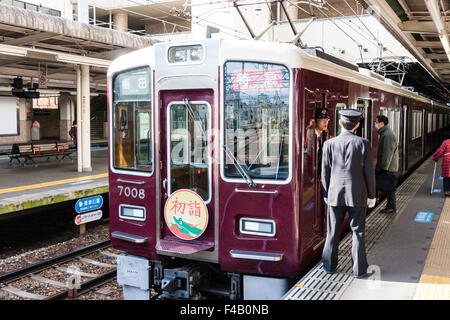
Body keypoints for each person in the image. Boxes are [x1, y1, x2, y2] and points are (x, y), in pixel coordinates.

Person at [321, 109, 376, 278]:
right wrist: (372, 195)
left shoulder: (329, 144)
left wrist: (326, 193)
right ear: (357, 125)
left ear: (340, 123)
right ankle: (359, 270)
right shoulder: (363, 143)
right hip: (357, 195)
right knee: (358, 233)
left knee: (332, 232)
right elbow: (369, 172)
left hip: (334, 195)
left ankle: (329, 266)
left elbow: (325, 172)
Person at [374, 115, 399, 214]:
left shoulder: (387, 135)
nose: (375, 124)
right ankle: (390, 206)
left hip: (388, 168)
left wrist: (383, 168)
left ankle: (391, 207)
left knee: (389, 188)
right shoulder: (386, 133)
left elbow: (387, 153)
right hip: (389, 167)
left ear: (381, 123)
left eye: (376, 122)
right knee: (389, 188)